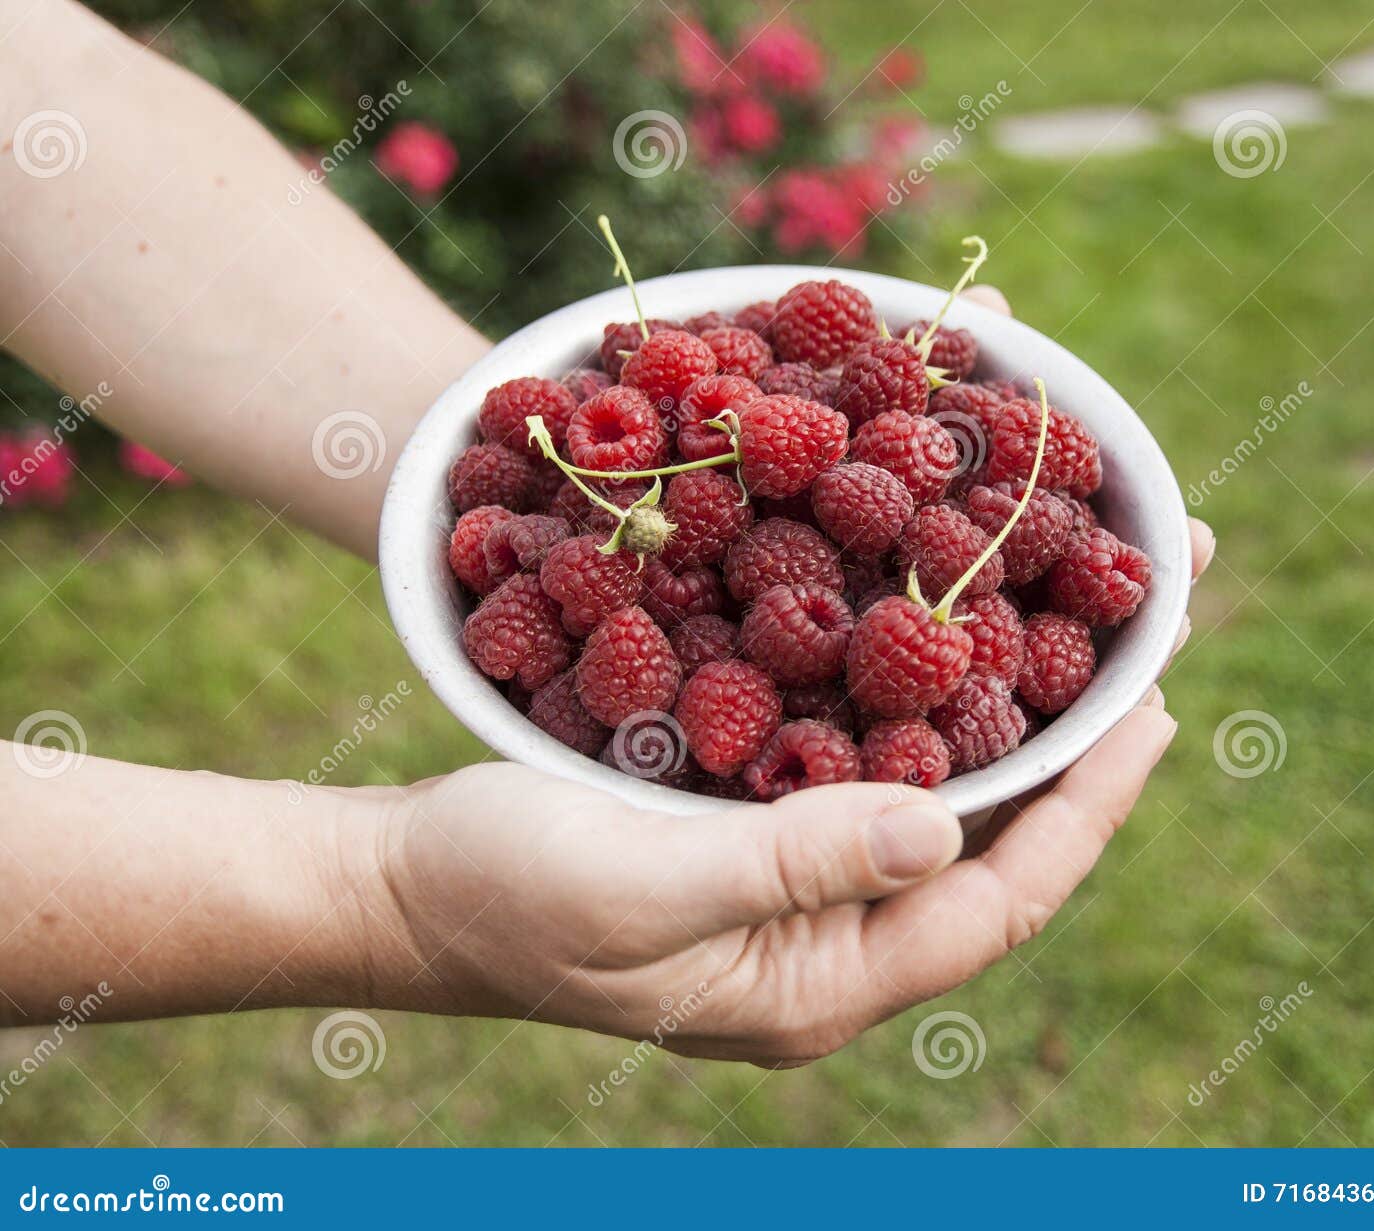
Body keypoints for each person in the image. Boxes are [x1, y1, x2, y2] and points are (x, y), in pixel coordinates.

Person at [0, 0, 1214, 1066]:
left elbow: (31, 89)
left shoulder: (847, 531)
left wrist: (529, 456)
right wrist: (389, 900)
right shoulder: (683, 585)